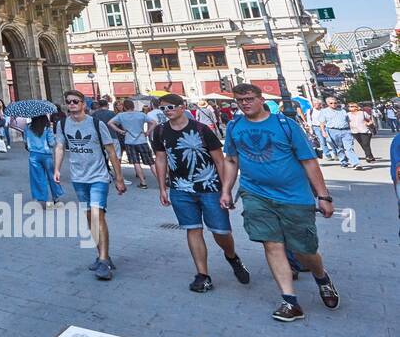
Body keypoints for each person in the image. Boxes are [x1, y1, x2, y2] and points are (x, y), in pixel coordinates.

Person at [221, 83, 340, 322]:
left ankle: (321, 277)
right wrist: (226, 190)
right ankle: (290, 301)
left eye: (249, 98)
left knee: (304, 250)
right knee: (271, 244)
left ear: (260, 98)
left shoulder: (286, 126)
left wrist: (323, 196)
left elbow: (309, 161)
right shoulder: (234, 126)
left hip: (294, 196)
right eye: (240, 100)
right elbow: (231, 160)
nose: (245, 103)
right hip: (255, 194)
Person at [151, 93, 251, 293]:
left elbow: (219, 161)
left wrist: (226, 190)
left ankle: (232, 256)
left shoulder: (201, 129)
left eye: (170, 107)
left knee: (221, 232)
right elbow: (160, 159)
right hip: (180, 189)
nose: (167, 111)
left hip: (210, 188)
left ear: (182, 107)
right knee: (193, 229)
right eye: (163, 109)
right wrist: (162, 187)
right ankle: (203, 275)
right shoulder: (160, 131)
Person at [53, 90, 125, 280]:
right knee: (89, 218)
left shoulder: (96, 123)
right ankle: (103, 254)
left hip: (98, 177)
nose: (72, 104)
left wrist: (118, 178)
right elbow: (60, 147)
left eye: (75, 101)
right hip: (78, 178)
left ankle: (103, 262)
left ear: (83, 103)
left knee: (97, 215)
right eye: (68, 102)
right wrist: (57, 169)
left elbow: (111, 151)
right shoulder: (62, 124)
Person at [12, 112, 62, 206]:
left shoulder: (28, 127)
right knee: (52, 176)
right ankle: (56, 198)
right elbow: (51, 143)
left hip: (34, 155)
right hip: (46, 154)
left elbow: (25, 142)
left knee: (38, 178)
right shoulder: (47, 127)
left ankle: (45, 200)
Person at [109, 98, 154, 189]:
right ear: (133, 106)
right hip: (142, 140)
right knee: (151, 162)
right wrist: (148, 132)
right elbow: (154, 122)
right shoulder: (141, 114)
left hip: (129, 141)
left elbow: (110, 123)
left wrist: (120, 131)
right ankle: (161, 182)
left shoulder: (121, 115)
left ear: (124, 107)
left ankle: (143, 182)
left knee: (136, 162)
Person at [316, 96, 364, 170]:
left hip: (345, 131)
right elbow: (322, 123)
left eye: (335, 102)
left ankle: (356, 163)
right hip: (333, 131)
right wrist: (323, 132)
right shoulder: (324, 111)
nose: (334, 104)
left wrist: (352, 129)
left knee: (349, 148)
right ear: (327, 103)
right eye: (331, 103)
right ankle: (343, 161)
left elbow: (348, 121)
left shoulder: (342, 111)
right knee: (339, 148)